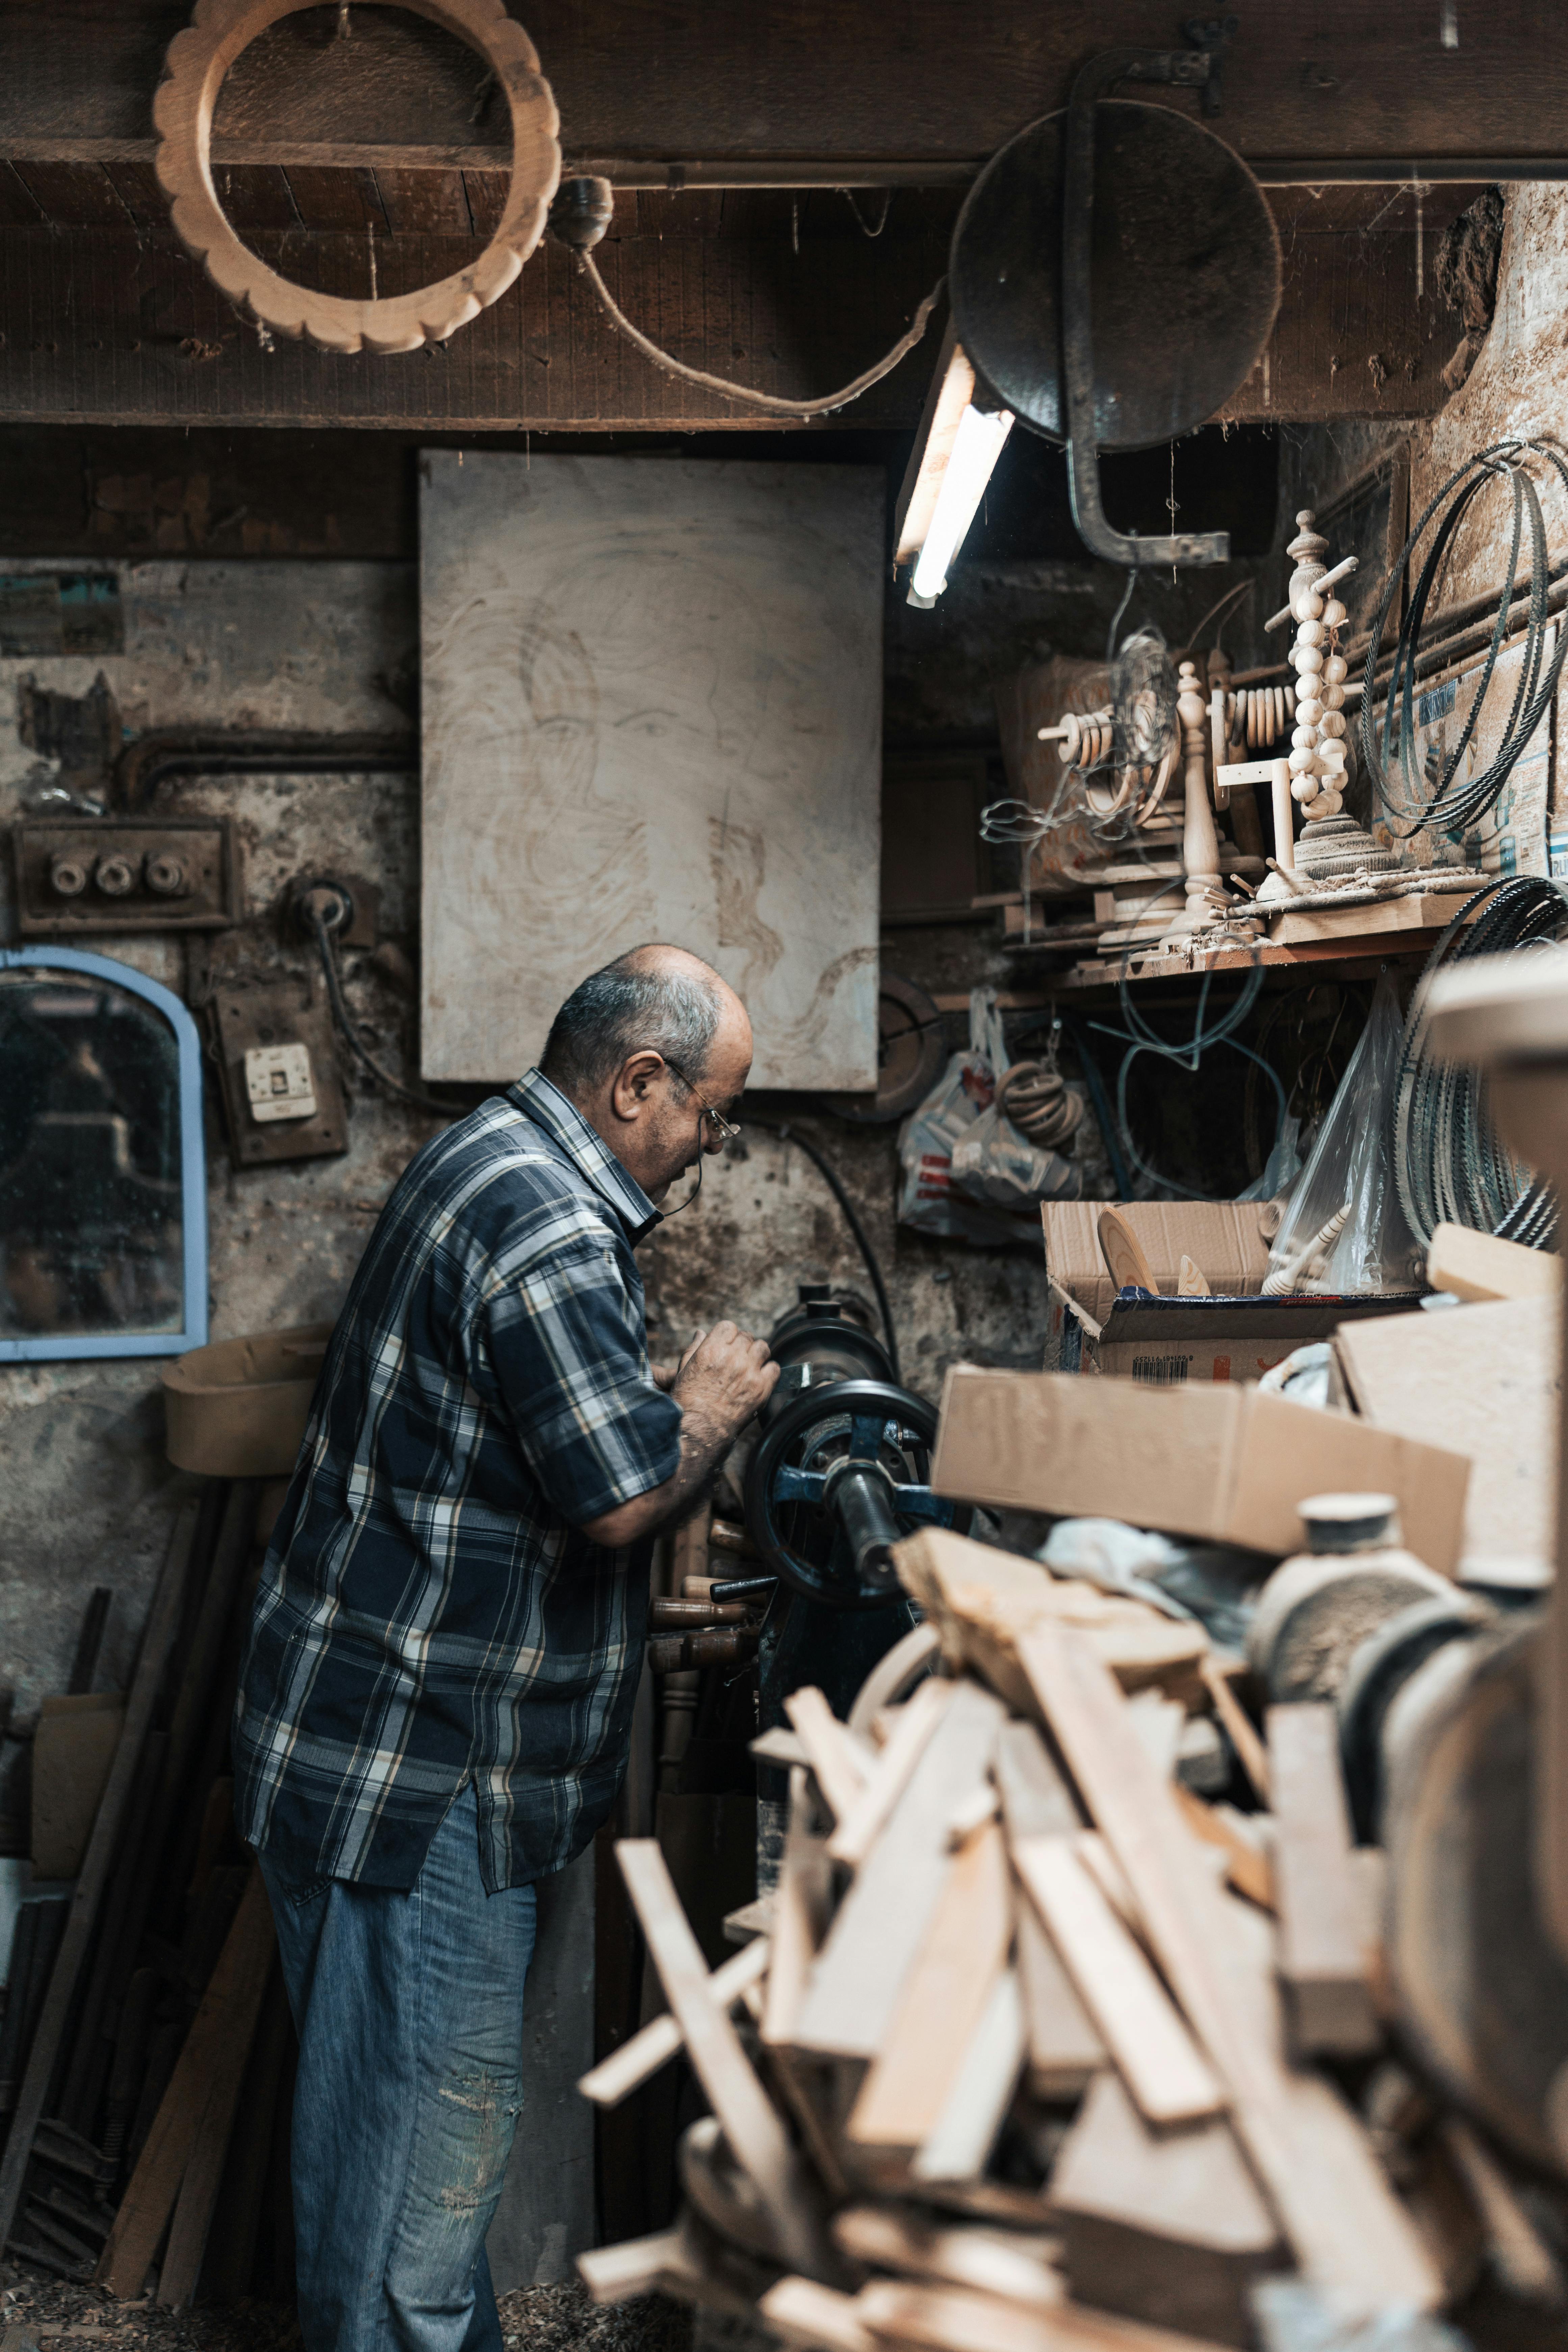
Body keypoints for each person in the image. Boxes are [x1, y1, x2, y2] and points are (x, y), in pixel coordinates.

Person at [232, 943, 777, 2352]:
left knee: (409, 2172)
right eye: (712, 1114)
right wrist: (709, 1406)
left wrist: (648, 1400)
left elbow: (521, 1417)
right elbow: (618, 1503)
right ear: (639, 1081)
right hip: (420, 1783)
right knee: (407, 2222)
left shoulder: (493, 1150)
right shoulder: (548, 1226)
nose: (709, 1147)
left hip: (380, 1745)